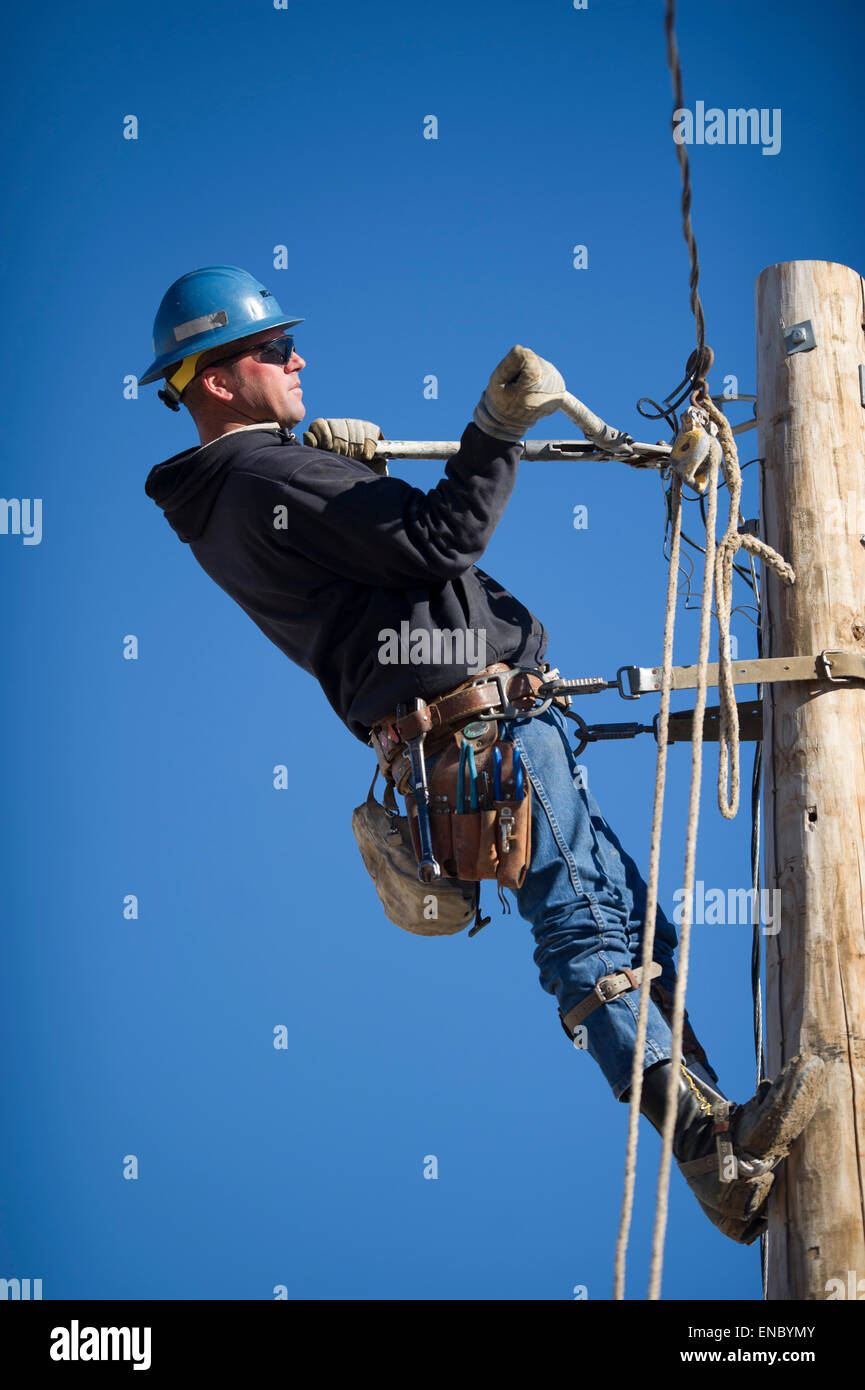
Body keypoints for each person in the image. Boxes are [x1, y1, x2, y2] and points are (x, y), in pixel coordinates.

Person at [142, 265, 823, 1246]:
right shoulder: (259, 479)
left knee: (632, 944)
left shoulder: (243, 489)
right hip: (479, 736)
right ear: (213, 379)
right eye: (271, 350)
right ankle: (712, 1151)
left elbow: (389, 565)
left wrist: (343, 473)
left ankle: (722, 1152)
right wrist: (494, 426)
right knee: (594, 944)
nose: (298, 359)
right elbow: (440, 537)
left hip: (473, 740)